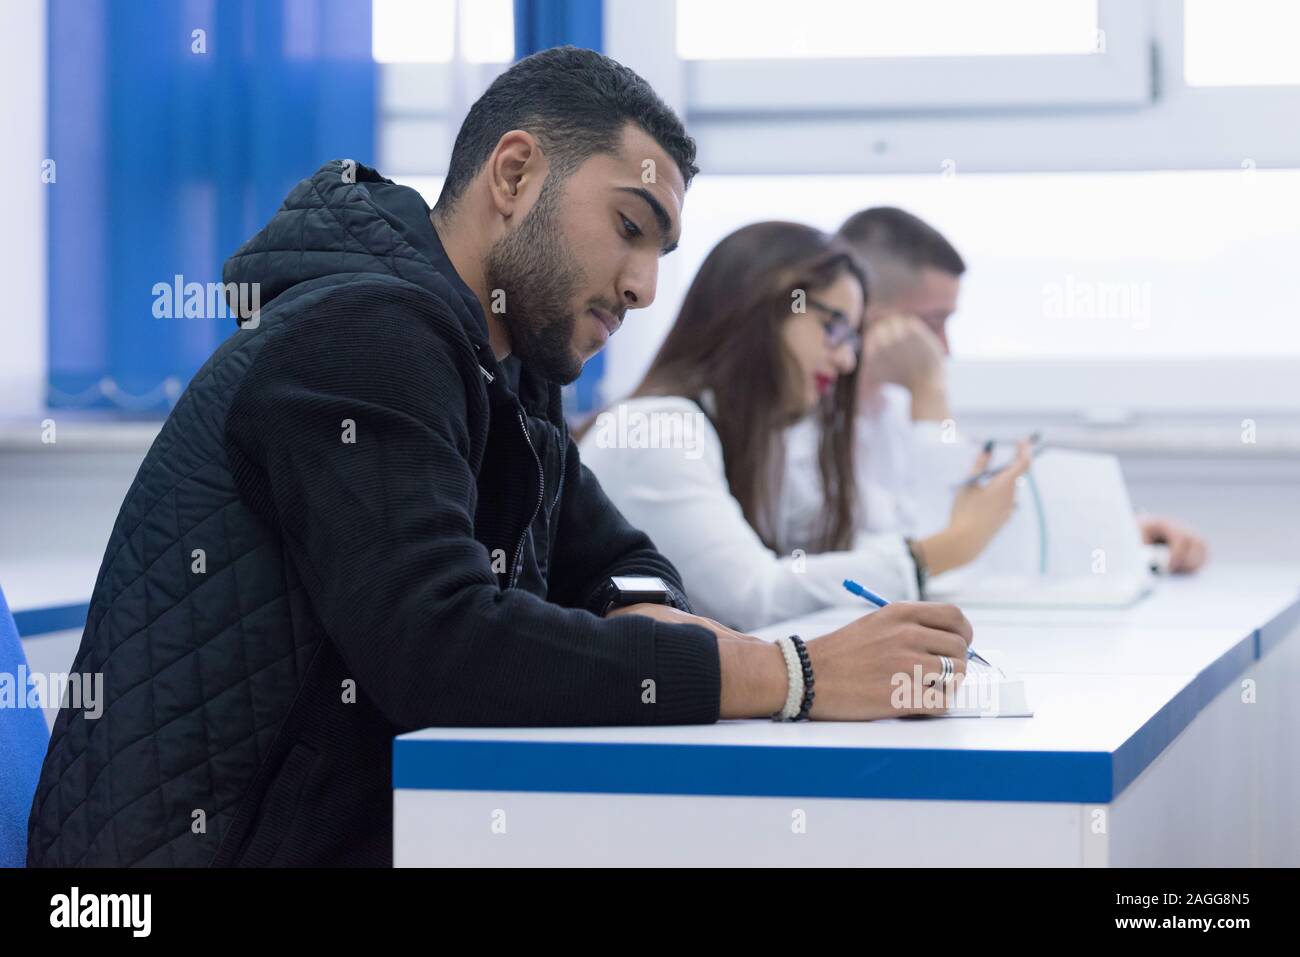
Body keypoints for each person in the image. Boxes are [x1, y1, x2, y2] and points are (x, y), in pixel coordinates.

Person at [28, 49, 975, 869]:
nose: (645, 285)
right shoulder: (363, 337)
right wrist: (791, 675)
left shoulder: (506, 370)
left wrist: (647, 610)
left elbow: (617, 555)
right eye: (631, 227)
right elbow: (439, 644)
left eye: (662, 251)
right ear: (515, 175)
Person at [578, 221, 1030, 632]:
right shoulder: (658, 431)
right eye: (833, 327)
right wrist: (949, 546)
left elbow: (846, 552)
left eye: (852, 336)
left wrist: (947, 543)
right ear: (764, 307)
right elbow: (752, 599)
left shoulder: (757, 438)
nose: (847, 359)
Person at [779, 206, 1208, 574]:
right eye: (933, 322)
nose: (944, 348)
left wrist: (1118, 534)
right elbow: (939, 547)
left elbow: (975, 530)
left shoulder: (888, 412)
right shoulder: (797, 430)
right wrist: (929, 392)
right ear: (863, 311)